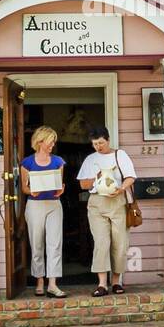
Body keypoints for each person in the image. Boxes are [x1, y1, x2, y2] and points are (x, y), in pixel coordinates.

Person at [77, 126, 136, 297]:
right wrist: (96, 177)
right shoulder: (90, 159)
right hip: (97, 202)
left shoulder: (120, 155)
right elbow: (83, 185)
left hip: (117, 200)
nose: (98, 146)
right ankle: (102, 283)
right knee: (101, 242)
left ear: (108, 140)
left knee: (120, 242)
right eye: (95, 144)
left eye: (101, 143)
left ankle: (116, 281)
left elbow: (131, 177)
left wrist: (121, 188)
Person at [20, 125, 66, 298]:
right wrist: (31, 191)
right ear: (40, 142)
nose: (52, 144)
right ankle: (39, 281)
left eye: (53, 142)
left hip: (54, 204)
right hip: (35, 205)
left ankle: (53, 284)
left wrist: (61, 189)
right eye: (49, 141)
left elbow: (59, 184)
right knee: (37, 244)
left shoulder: (58, 161)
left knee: (55, 244)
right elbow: (24, 188)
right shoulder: (27, 162)